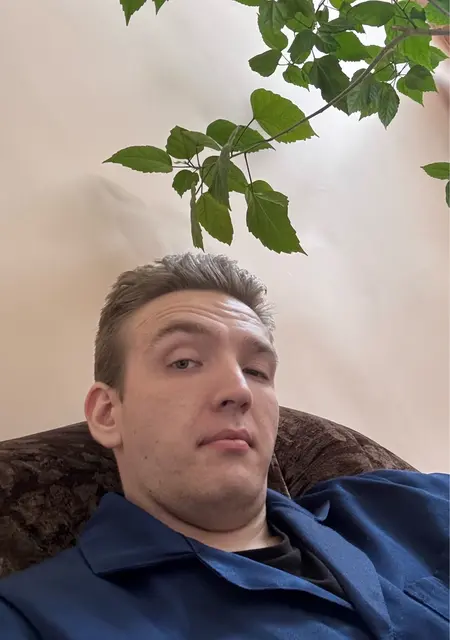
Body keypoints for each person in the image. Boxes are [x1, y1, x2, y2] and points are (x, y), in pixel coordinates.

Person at [0, 252, 448, 639]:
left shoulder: (404, 504)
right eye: (184, 362)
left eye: (256, 371)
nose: (239, 390)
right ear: (107, 413)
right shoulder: (34, 618)